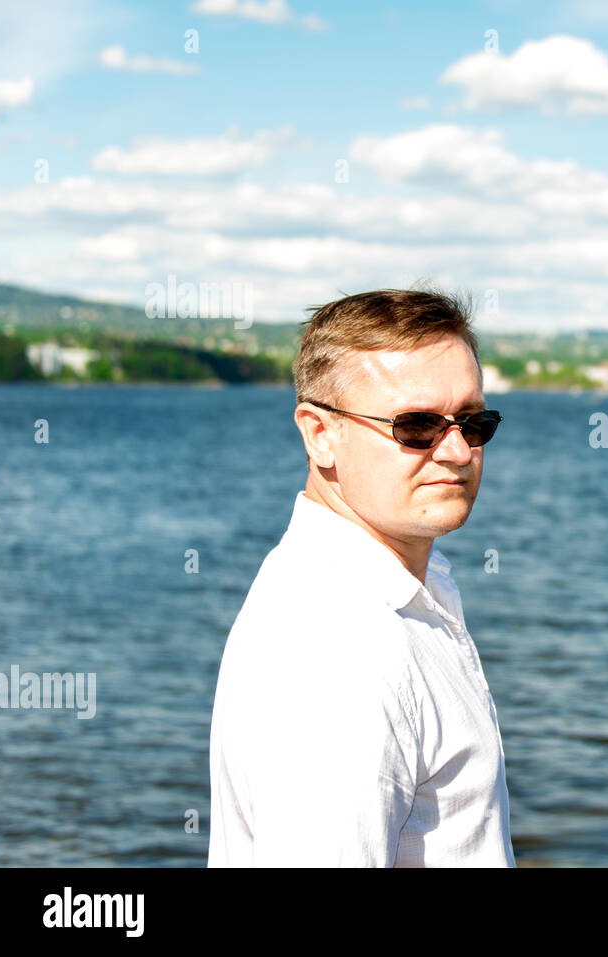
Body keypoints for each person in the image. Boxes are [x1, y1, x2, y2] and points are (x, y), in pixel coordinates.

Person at [208, 287, 514, 866]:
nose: (455, 451)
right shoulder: (339, 648)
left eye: (473, 422)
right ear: (320, 434)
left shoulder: (397, 588)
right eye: (417, 425)